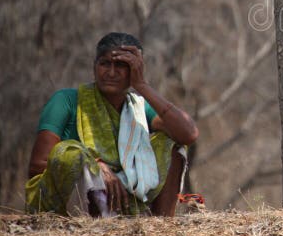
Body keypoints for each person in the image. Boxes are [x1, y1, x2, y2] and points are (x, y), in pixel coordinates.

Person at [26, 32, 199, 217]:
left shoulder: (137, 109)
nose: (111, 72)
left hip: (121, 197)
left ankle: (161, 225)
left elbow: (188, 133)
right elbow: (37, 166)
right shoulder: (66, 101)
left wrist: (142, 85)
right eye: (105, 64)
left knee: (170, 143)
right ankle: (94, 221)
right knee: (71, 152)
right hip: (64, 205)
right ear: (94, 66)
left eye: (121, 66)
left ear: (136, 70)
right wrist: (94, 167)